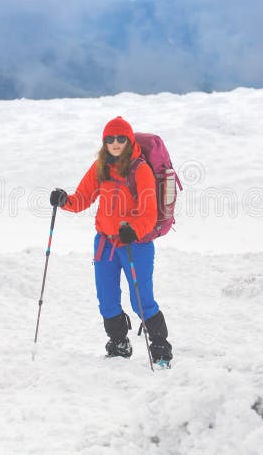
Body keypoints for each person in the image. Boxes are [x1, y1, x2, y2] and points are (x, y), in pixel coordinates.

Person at [49, 116, 174, 367]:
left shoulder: (141, 170)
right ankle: (118, 343)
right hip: (105, 242)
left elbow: (149, 214)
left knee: (142, 301)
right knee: (106, 298)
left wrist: (134, 230)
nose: (115, 143)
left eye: (121, 139)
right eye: (110, 139)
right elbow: (82, 198)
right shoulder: (101, 167)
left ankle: (161, 349)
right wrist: (64, 200)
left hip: (134, 245)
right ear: (104, 142)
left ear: (128, 141)